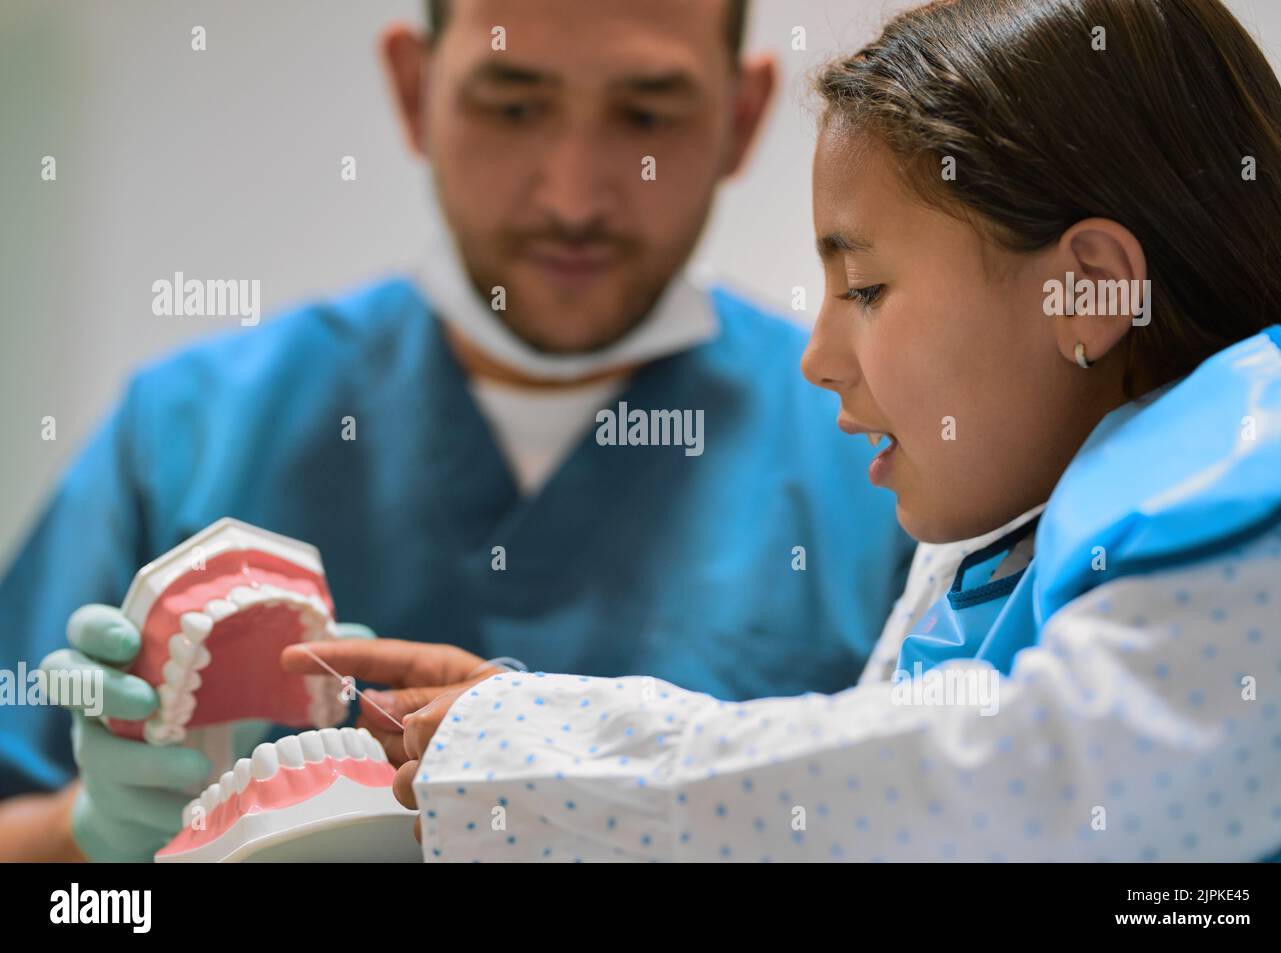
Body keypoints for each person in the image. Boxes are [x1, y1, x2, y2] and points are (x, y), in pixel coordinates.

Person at [293, 0, 1281, 861]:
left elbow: (1011, 791)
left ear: (1087, 289)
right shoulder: (986, 549)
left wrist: (559, 761)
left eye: (864, 287)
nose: (815, 354)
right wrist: (533, 734)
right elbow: (854, 791)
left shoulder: (1273, 492)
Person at [0, 0, 914, 861]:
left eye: (645, 116)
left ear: (743, 117)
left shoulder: (894, 455)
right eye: (514, 105)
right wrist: (95, 835)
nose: (573, 195)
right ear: (414, 88)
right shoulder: (193, 431)